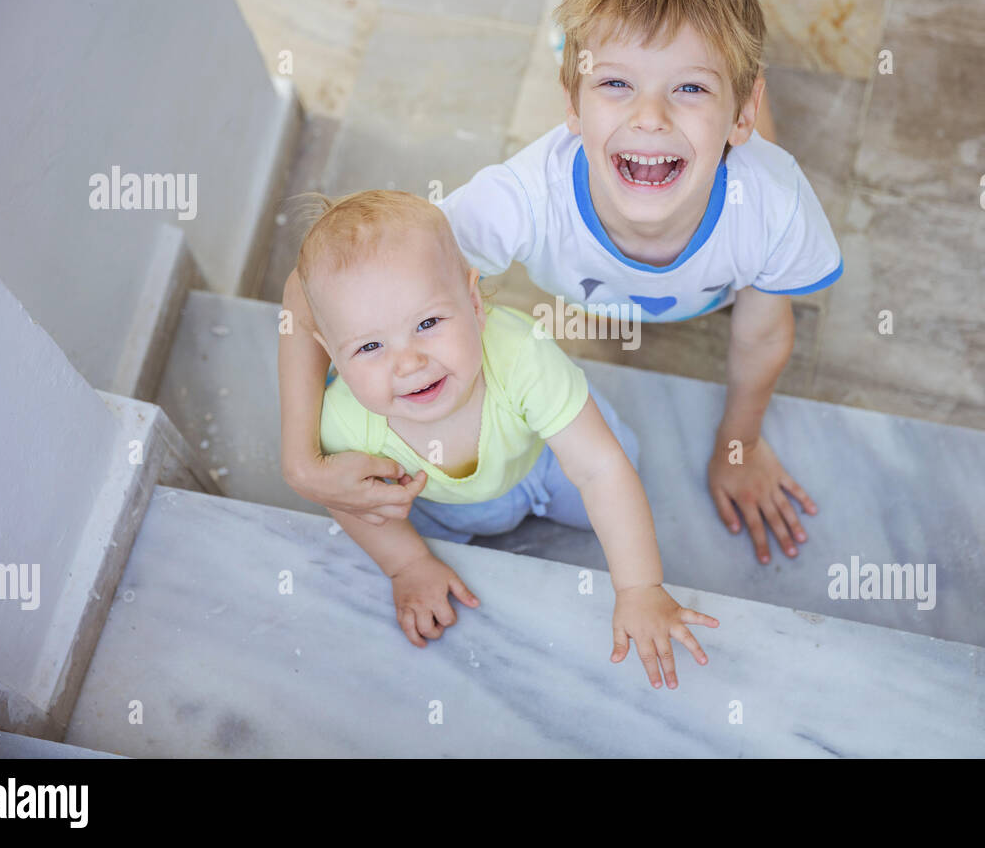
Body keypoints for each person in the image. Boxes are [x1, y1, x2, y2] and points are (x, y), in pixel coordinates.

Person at [279, 0, 843, 567]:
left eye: (691, 89)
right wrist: (302, 460)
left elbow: (764, 336)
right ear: (570, 103)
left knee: (756, 148)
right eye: (615, 84)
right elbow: (313, 286)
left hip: (735, 198)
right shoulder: (523, 200)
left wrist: (738, 444)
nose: (650, 117)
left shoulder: (774, 207)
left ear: (740, 109)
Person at [295, 189, 718, 689]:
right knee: (425, 551)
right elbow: (346, 499)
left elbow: (598, 468)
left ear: (474, 303)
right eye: (369, 346)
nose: (408, 363)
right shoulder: (343, 423)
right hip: (442, 503)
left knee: (620, 468)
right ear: (331, 355)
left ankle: (573, 413)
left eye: (427, 323)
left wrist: (639, 586)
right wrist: (406, 564)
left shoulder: (522, 356)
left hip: (544, 461)